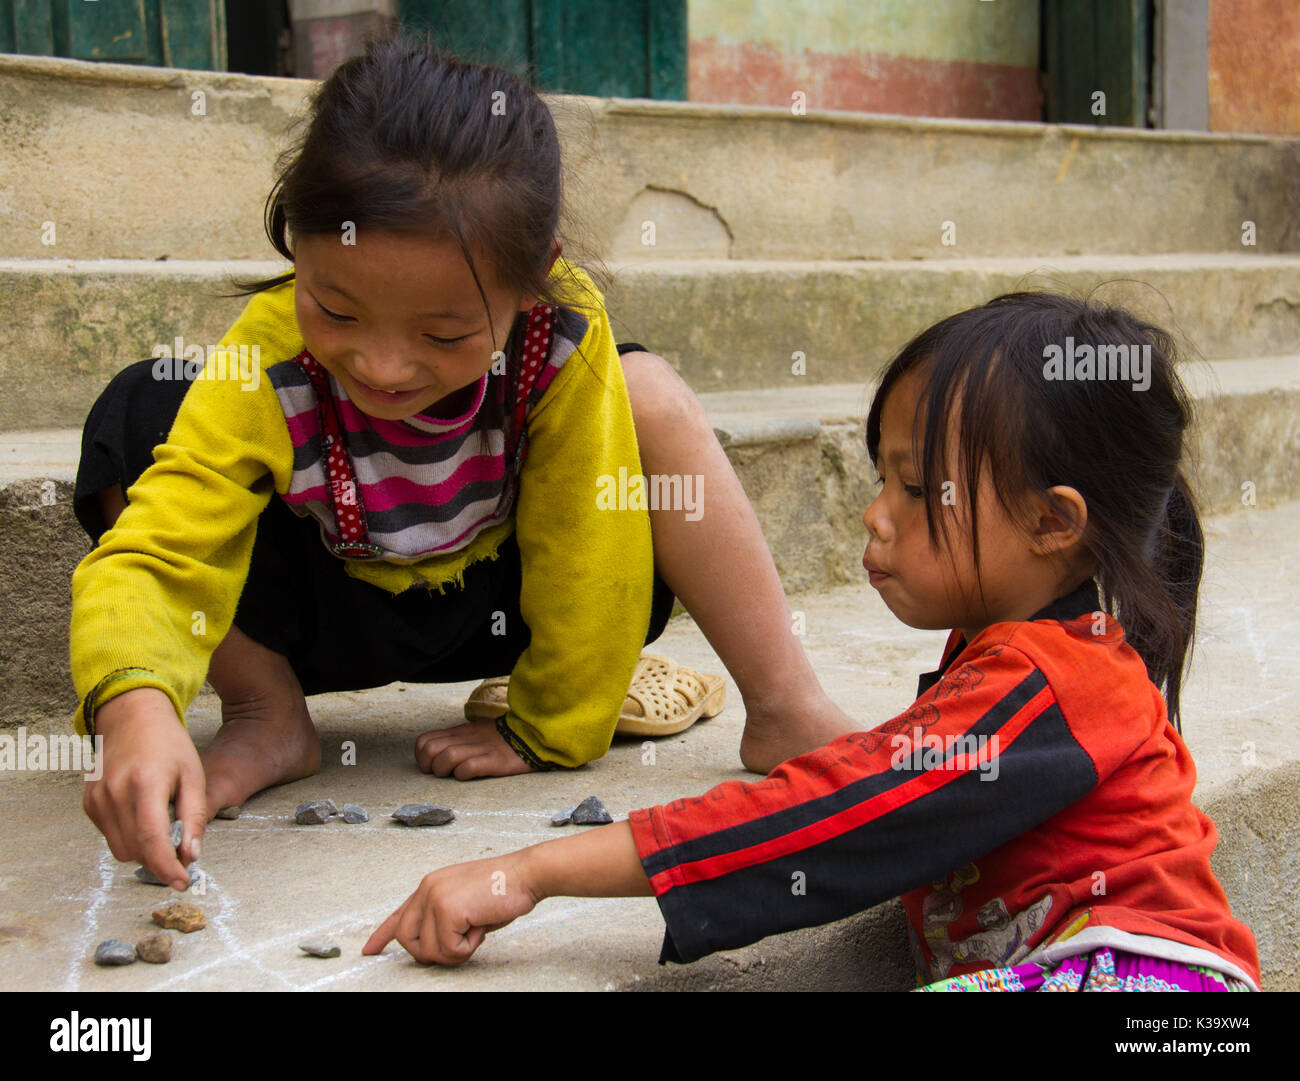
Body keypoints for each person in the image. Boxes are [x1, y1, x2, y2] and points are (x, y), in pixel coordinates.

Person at [69, 37, 855, 892]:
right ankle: (266, 712)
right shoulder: (265, 359)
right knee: (141, 408)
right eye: (335, 308)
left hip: (502, 607)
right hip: (326, 615)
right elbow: (162, 549)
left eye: (442, 334)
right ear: (298, 241)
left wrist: (547, 724)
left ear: (534, 280)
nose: (382, 367)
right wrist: (134, 701)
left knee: (650, 391)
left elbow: (589, 544)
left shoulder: (557, 345)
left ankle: (784, 706)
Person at [363, 291, 1262, 992]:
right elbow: (886, 778)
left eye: (919, 488)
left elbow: (832, 814)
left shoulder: (1046, 679)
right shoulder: (1031, 663)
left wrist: (534, 868)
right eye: (882, 477)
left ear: (1051, 522)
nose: (876, 516)